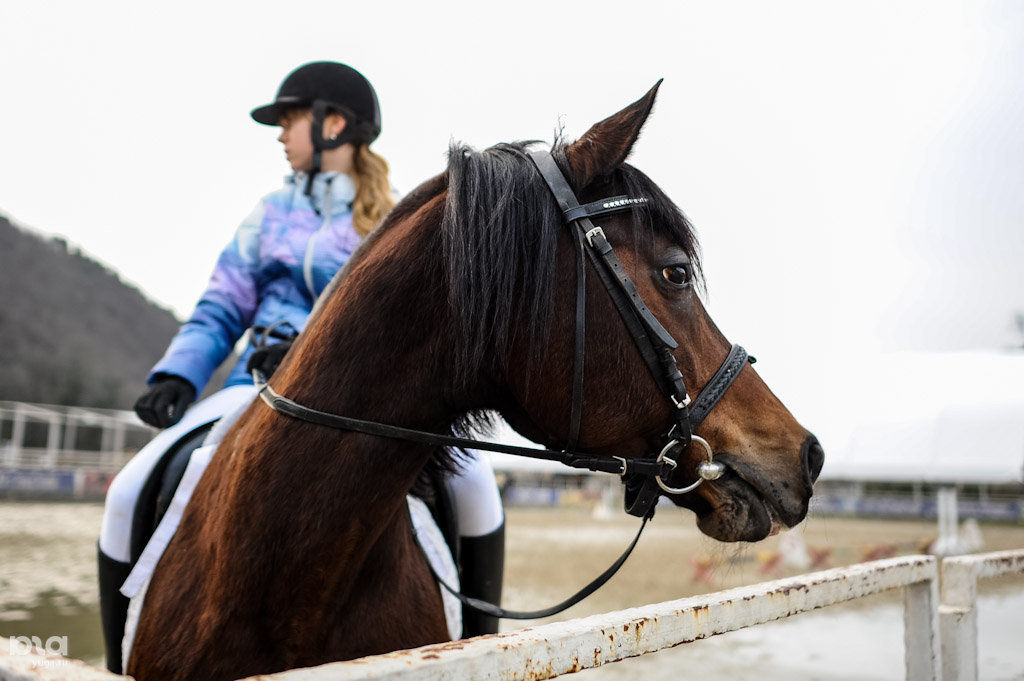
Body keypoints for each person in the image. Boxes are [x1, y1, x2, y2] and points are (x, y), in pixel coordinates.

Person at [96, 61, 505, 673]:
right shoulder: (268, 214)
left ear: (332, 124)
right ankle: (115, 665)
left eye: (289, 121)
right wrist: (178, 374)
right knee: (128, 491)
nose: (281, 135)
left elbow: (400, 332)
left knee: (476, 488)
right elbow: (223, 302)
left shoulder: (392, 226)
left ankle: (485, 658)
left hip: (362, 406)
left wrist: (313, 356)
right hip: (251, 388)